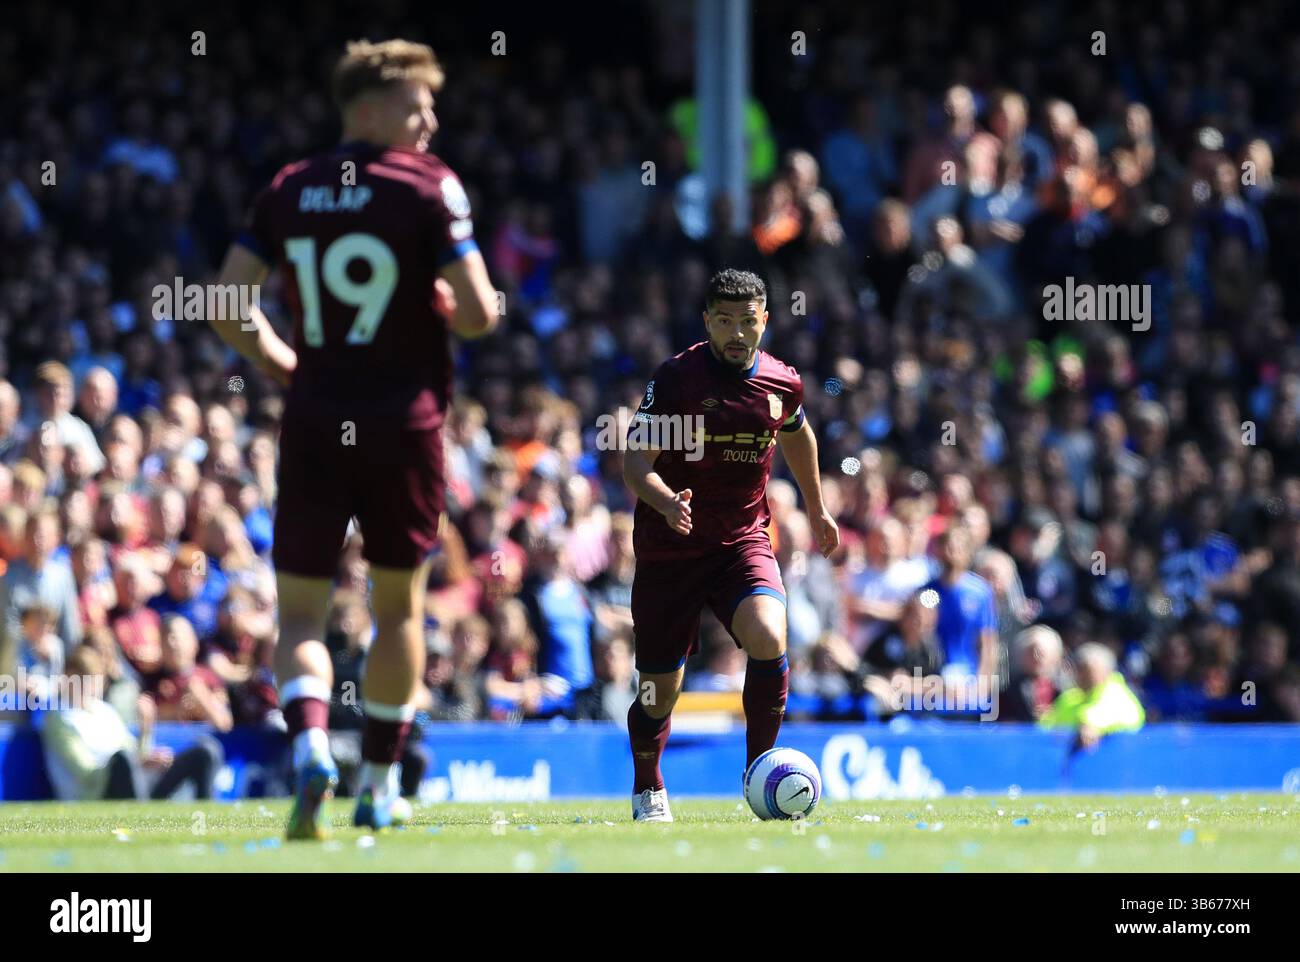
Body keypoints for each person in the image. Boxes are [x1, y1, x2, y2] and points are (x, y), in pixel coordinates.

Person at [208, 39, 498, 838]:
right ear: (368, 110)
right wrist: (465, 303)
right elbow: (476, 314)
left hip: (312, 419)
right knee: (397, 608)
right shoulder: (428, 185)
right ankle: (376, 782)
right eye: (416, 105)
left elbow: (226, 304)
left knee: (300, 613)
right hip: (405, 424)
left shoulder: (291, 188)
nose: (431, 120)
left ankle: (307, 748)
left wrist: (287, 367)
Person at [620, 268, 839, 822]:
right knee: (658, 691)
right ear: (707, 322)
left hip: (741, 540)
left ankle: (760, 770)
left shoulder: (781, 383)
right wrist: (668, 502)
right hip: (670, 546)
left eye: (747, 321)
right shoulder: (677, 381)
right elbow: (634, 460)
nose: (736, 333)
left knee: (769, 634)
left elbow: (799, 434)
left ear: (765, 321)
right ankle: (649, 784)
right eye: (724, 321)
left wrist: (817, 510)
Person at [1040, 643, 1145, 749]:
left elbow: (1112, 711)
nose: (1083, 677)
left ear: (1106, 671)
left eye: (1089, 672)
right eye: (1080, 670)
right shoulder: (1068, 698)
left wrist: (1090, 725)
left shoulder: (1117, 694)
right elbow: (1046, 727)